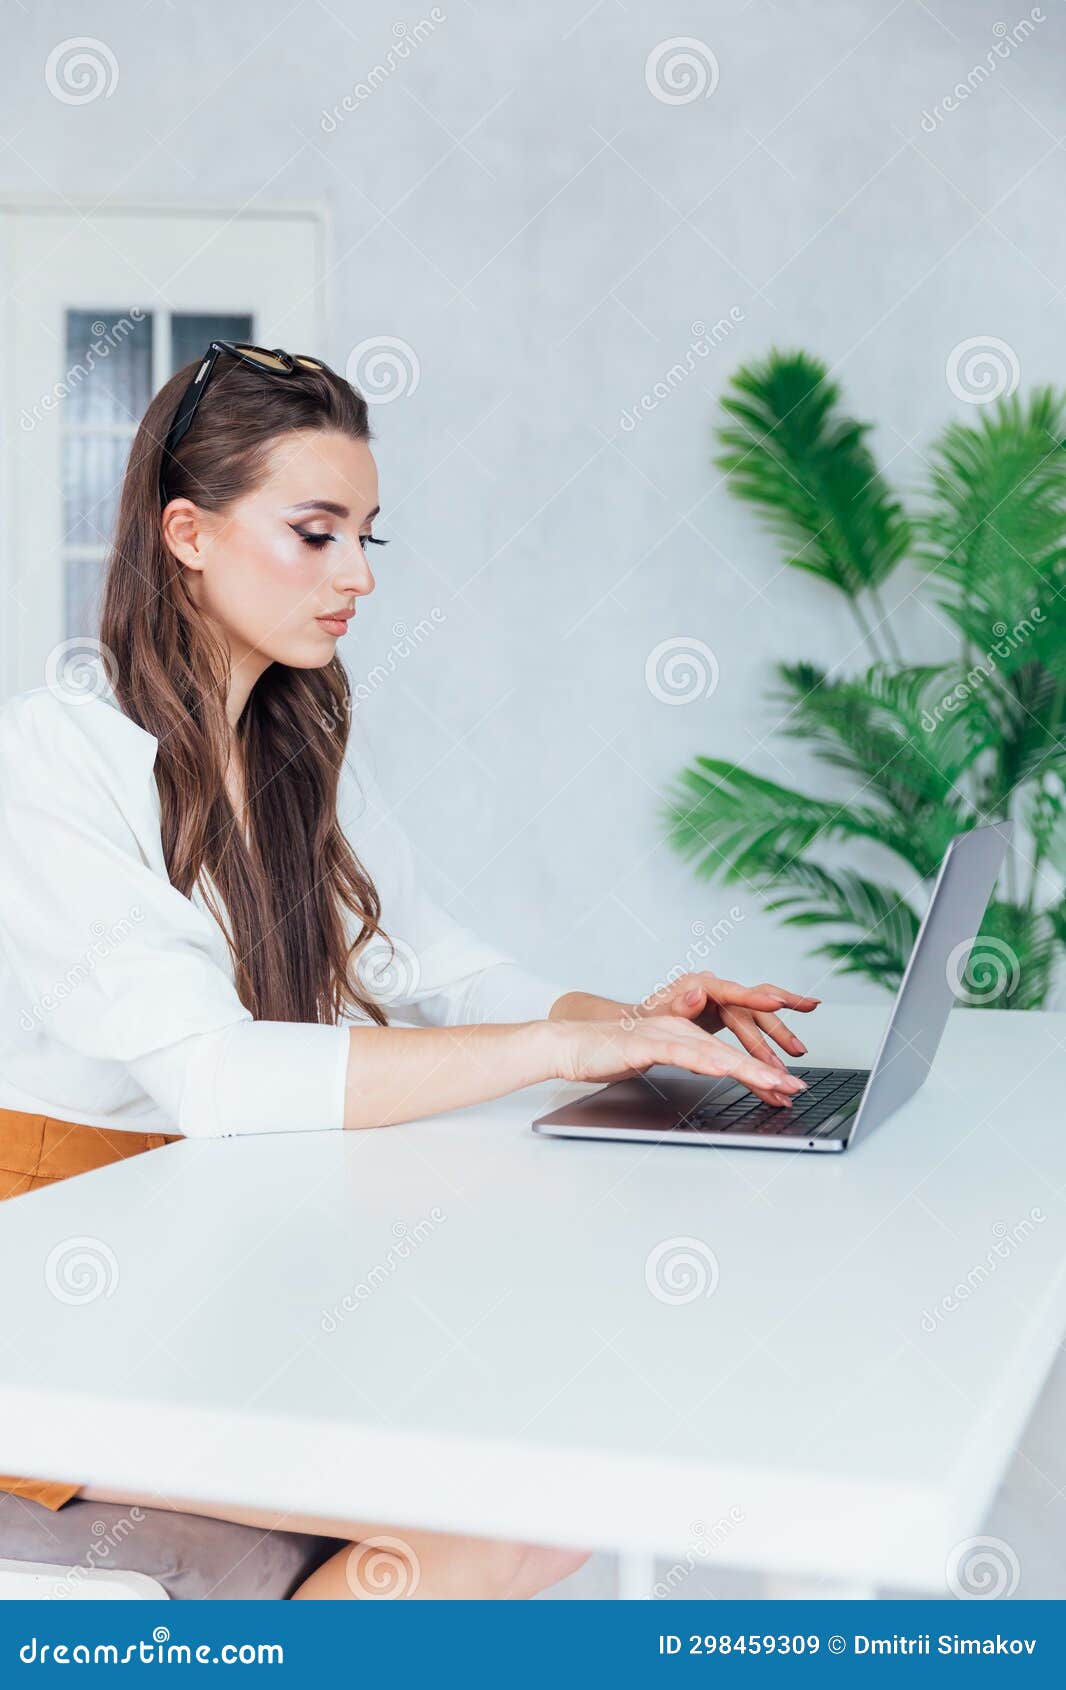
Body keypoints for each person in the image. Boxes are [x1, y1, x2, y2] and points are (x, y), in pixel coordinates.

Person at [0, 343, 817, 1598]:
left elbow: (439, 968)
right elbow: (215, 1077)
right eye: (316, 533)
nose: (359, 576)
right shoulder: (60, 752)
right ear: (187, 534)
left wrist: (635, 1024)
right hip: (55, 1297)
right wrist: (559, 1052)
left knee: (555, 1499)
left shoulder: (290, 743)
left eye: (369, 535)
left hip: (196, 1256)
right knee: (492, 1511)